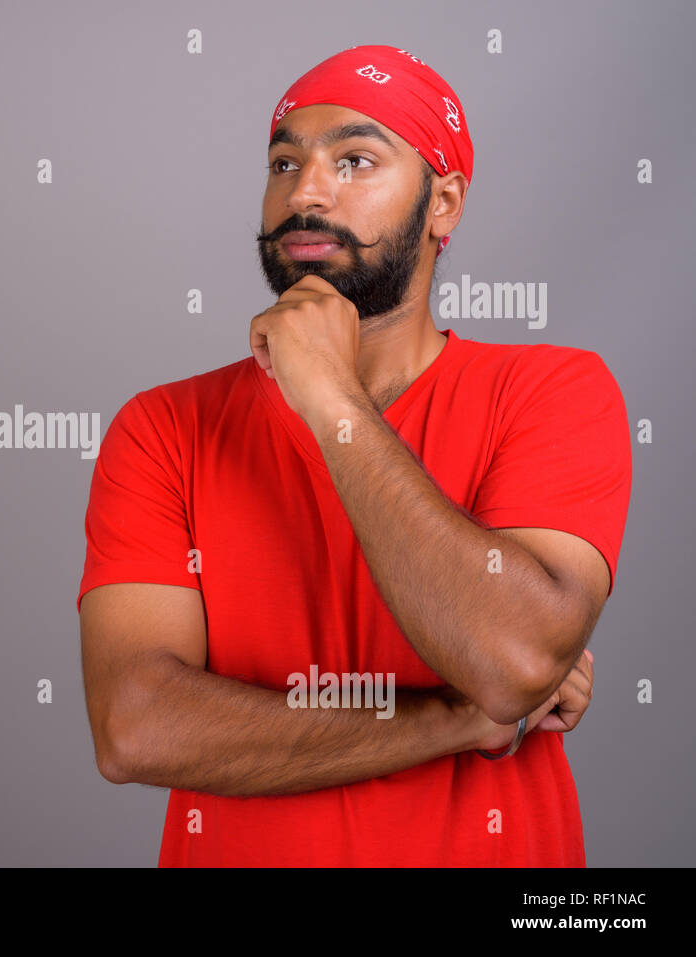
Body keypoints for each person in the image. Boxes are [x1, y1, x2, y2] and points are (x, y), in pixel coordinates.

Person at [76, 45, 632, 866]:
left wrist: (329, 397)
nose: (305, 191)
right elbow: (136, 725)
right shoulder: (163, 427)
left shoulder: (552, 391)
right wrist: (458, 717)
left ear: (443, 203)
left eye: (356, 160)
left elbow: (514, 658)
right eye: (284, 160)